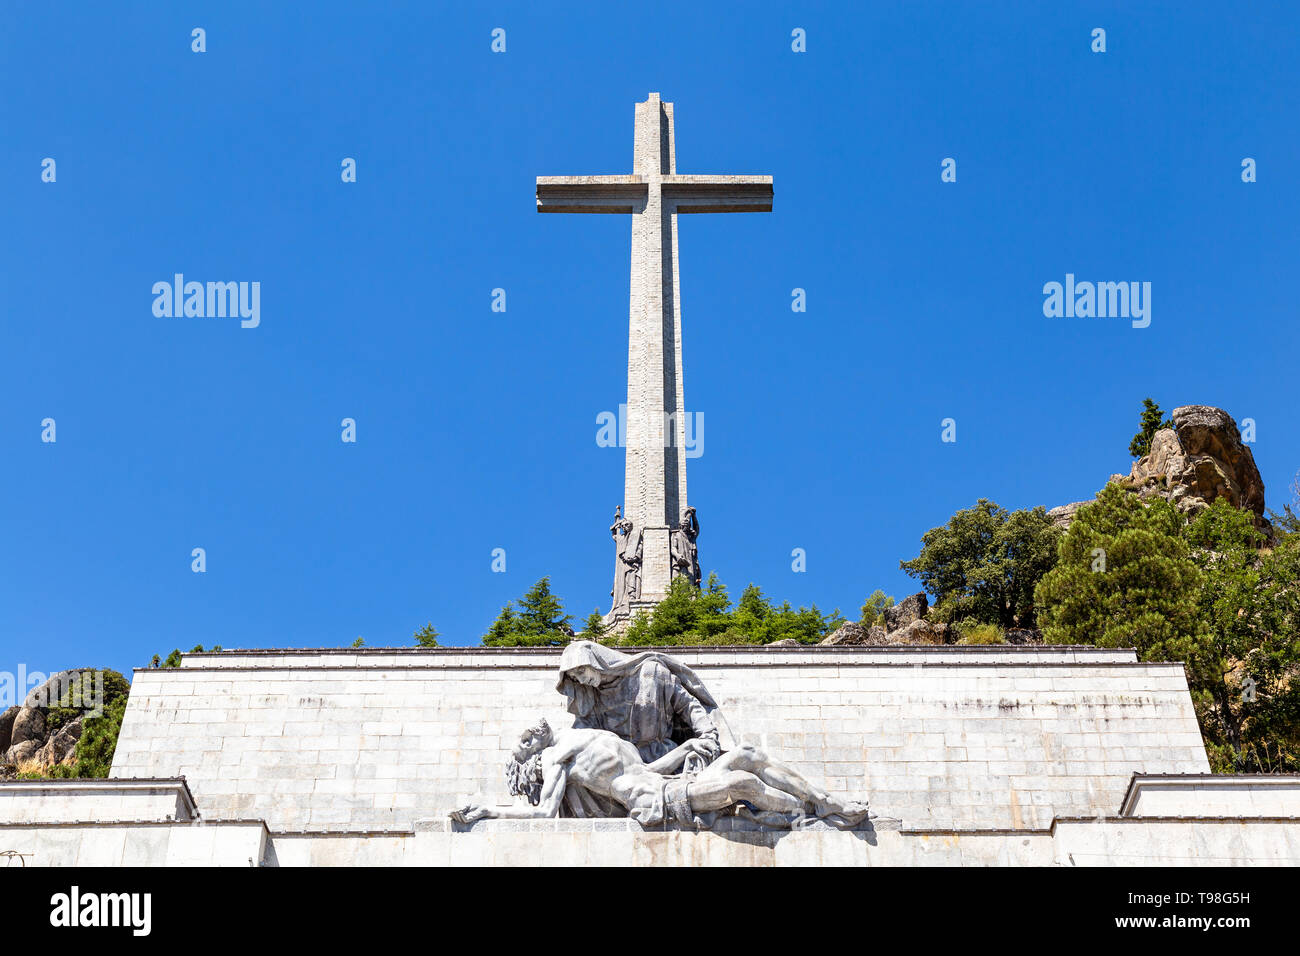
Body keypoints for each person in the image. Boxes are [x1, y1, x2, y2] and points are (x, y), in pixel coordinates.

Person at [450, 717, 869, 829]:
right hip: (661, 804)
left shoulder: (584, 737)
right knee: (743, 784)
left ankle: (827, 804)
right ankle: (805, 816)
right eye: (523, 743)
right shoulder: (554, 759)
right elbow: (543, 815)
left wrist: (685, 747)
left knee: (747, 754)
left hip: (669, 782)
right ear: (529, 759)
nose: (528, 733)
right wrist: (487, 810)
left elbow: (644, 768)